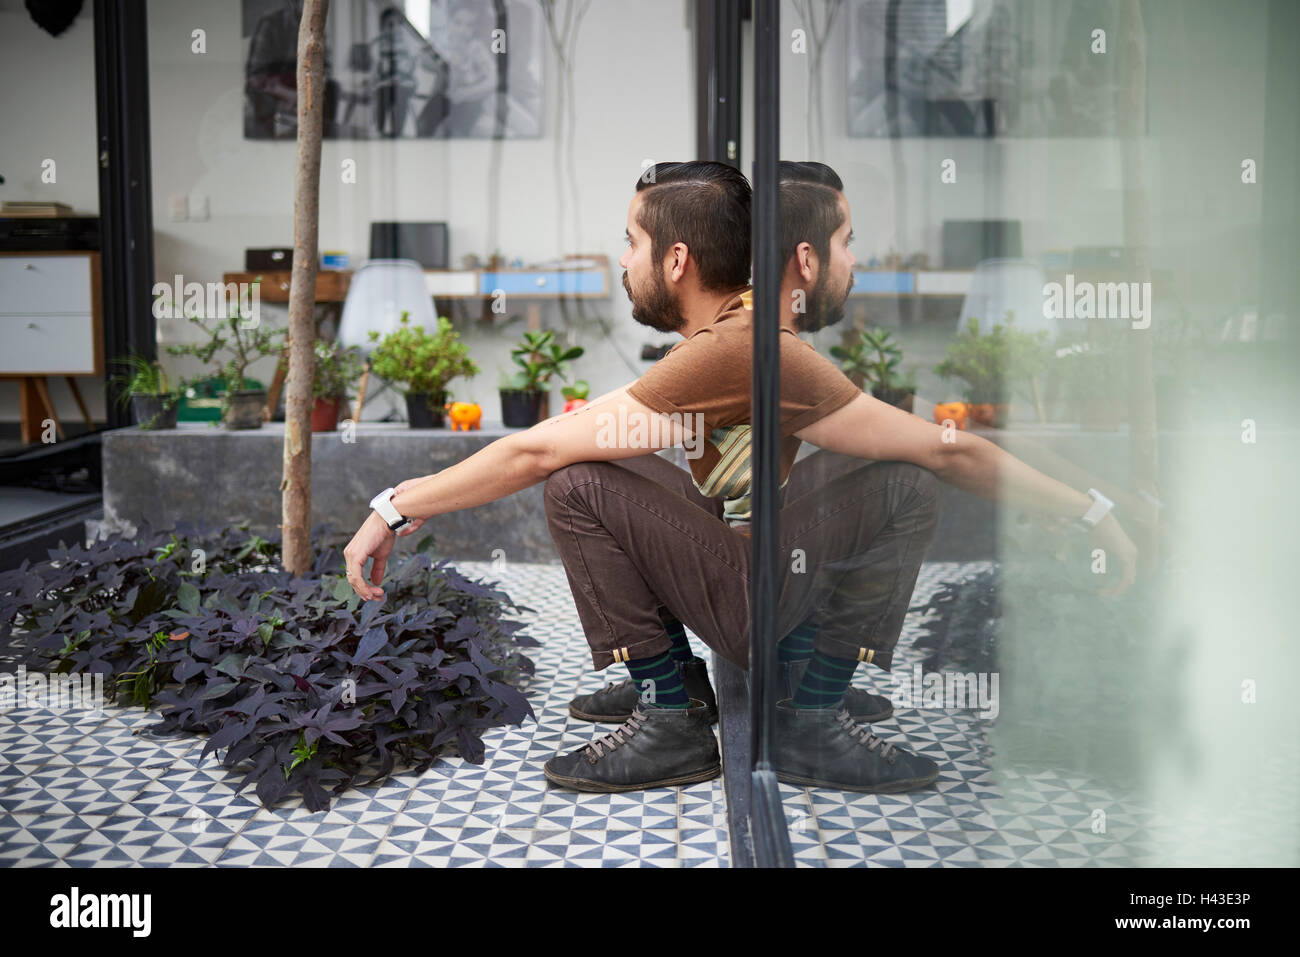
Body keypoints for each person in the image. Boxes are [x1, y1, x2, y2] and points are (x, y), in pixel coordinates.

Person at [343, 161, 1139, 794]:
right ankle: (687, 688)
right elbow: (546, 445)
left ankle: (772, 714)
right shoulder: (735, 342)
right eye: (851, 241)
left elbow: (953, 447)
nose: (623, 260)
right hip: (754, 585)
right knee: (591, 468)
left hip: (756, 597)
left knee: (584, 479)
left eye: (630, 242)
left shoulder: (747, 345)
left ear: (677, 259)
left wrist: (393, 508)